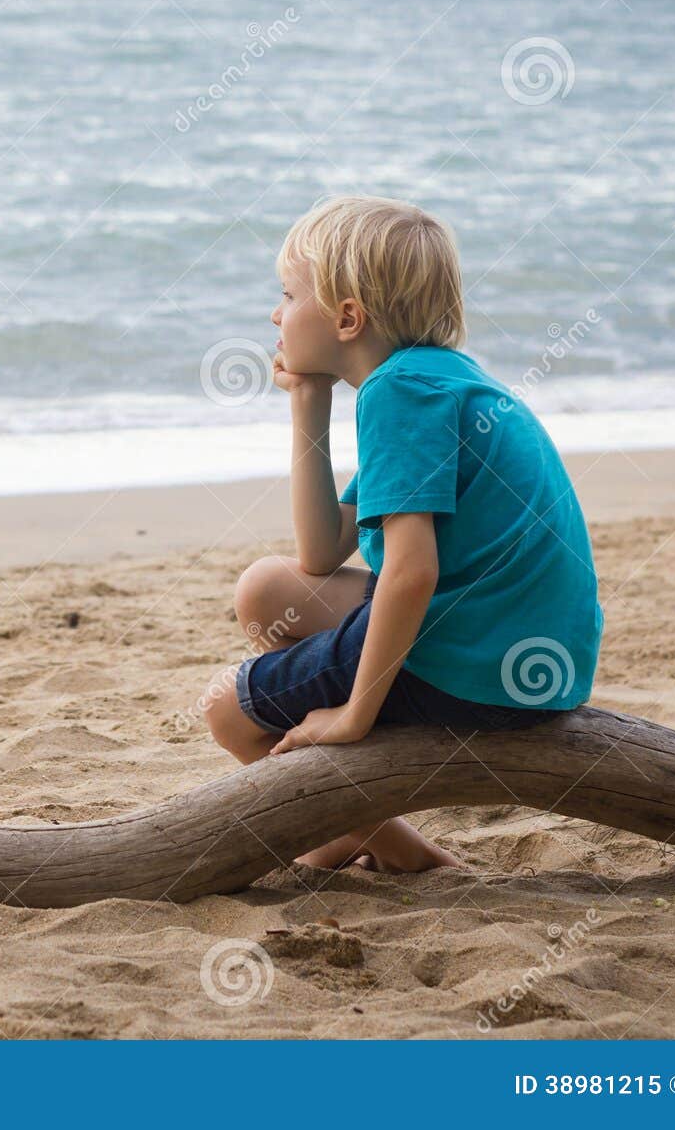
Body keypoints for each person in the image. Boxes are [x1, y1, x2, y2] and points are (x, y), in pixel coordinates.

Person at [202, 195, 604, 873]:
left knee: (227, 711)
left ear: (347, 316)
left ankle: (402, 851)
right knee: (270, 589)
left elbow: (411, 573)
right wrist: (309, 398)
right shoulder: (433, 383)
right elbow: (321, 552)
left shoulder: (397, 395)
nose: (275, 314)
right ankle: (351, 828)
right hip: (527, 652)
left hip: (474, 656)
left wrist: (354, 715)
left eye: (288, 294)